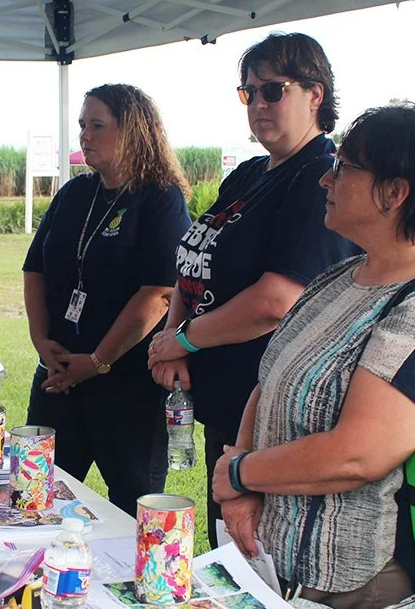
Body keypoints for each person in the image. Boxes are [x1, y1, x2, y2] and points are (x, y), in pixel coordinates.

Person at [213, 104, 415, 608]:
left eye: (343, 167)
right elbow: (269, 381)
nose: (324, 180)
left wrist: (237, 473)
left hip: (354, 583)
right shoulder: (341, 278)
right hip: (277, 565)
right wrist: (244, 485)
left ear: (394, 193)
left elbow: (357, 454)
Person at [145, 32, 359, 546]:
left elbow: (276, 301)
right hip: (224, 405)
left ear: (316, 94)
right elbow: (192, 264)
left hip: (273, 419)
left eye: (273, 90)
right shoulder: (246, 175)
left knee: (252, 562)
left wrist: (185, 339)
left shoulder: (319, 179)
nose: (258, 104)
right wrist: (174, 337)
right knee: (227, 552)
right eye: (249, 92)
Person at [23, 84, 192, 514]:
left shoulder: (160, 198)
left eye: (97, 126)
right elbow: (34, 270)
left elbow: (157, 293)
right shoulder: (75, 193)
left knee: (136, 506)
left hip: (126, 382)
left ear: (133, 131)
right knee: (34, 493)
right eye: (82, 125)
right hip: (58, 374)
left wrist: (97, 361)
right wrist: (42, 342)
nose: (84, 136)